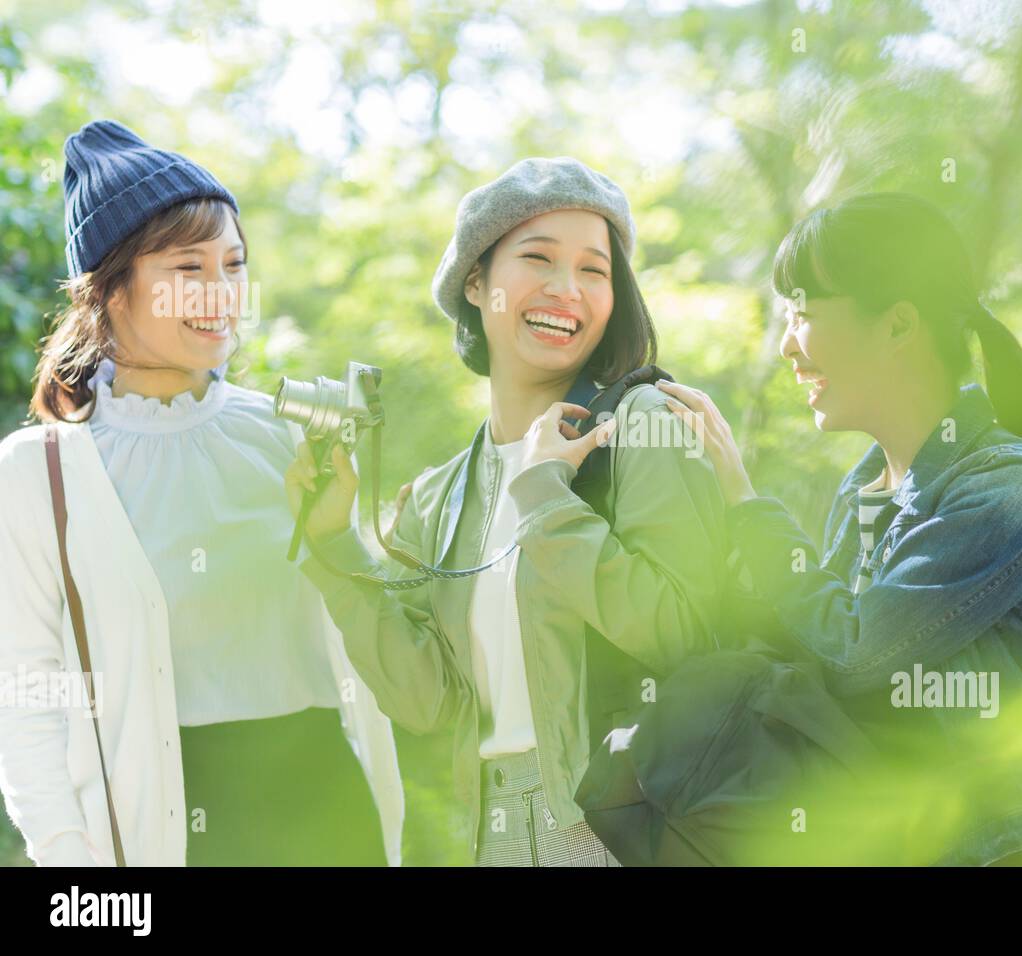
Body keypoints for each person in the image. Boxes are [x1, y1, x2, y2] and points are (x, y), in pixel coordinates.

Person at [287, 157, 727, 866]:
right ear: (475, 283)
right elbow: (427, 701)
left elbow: (686, 633)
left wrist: (546, 497)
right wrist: (336, 543)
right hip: (485, 832)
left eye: (594, 270)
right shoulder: (441, 493)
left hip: (615, 820)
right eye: (538, 258)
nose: (567, 290)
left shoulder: (640, 424)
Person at [658, 193, 1022, 866]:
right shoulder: (864, 489)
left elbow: (858, 650)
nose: (786, 344)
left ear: (898, 325)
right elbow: (815, 659)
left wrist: (744, 501)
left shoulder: (1007, 487)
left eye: (803, 314)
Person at [0, 120, 402, 866]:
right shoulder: (39, 474)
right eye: (189, 268)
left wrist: (338, 539)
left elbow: (382, 643)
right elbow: (24, 704)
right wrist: (68, 860)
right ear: (109, 289)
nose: (221, 295)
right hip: (164, 831)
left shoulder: (290, 439)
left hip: (328, 813)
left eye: (234, 265)